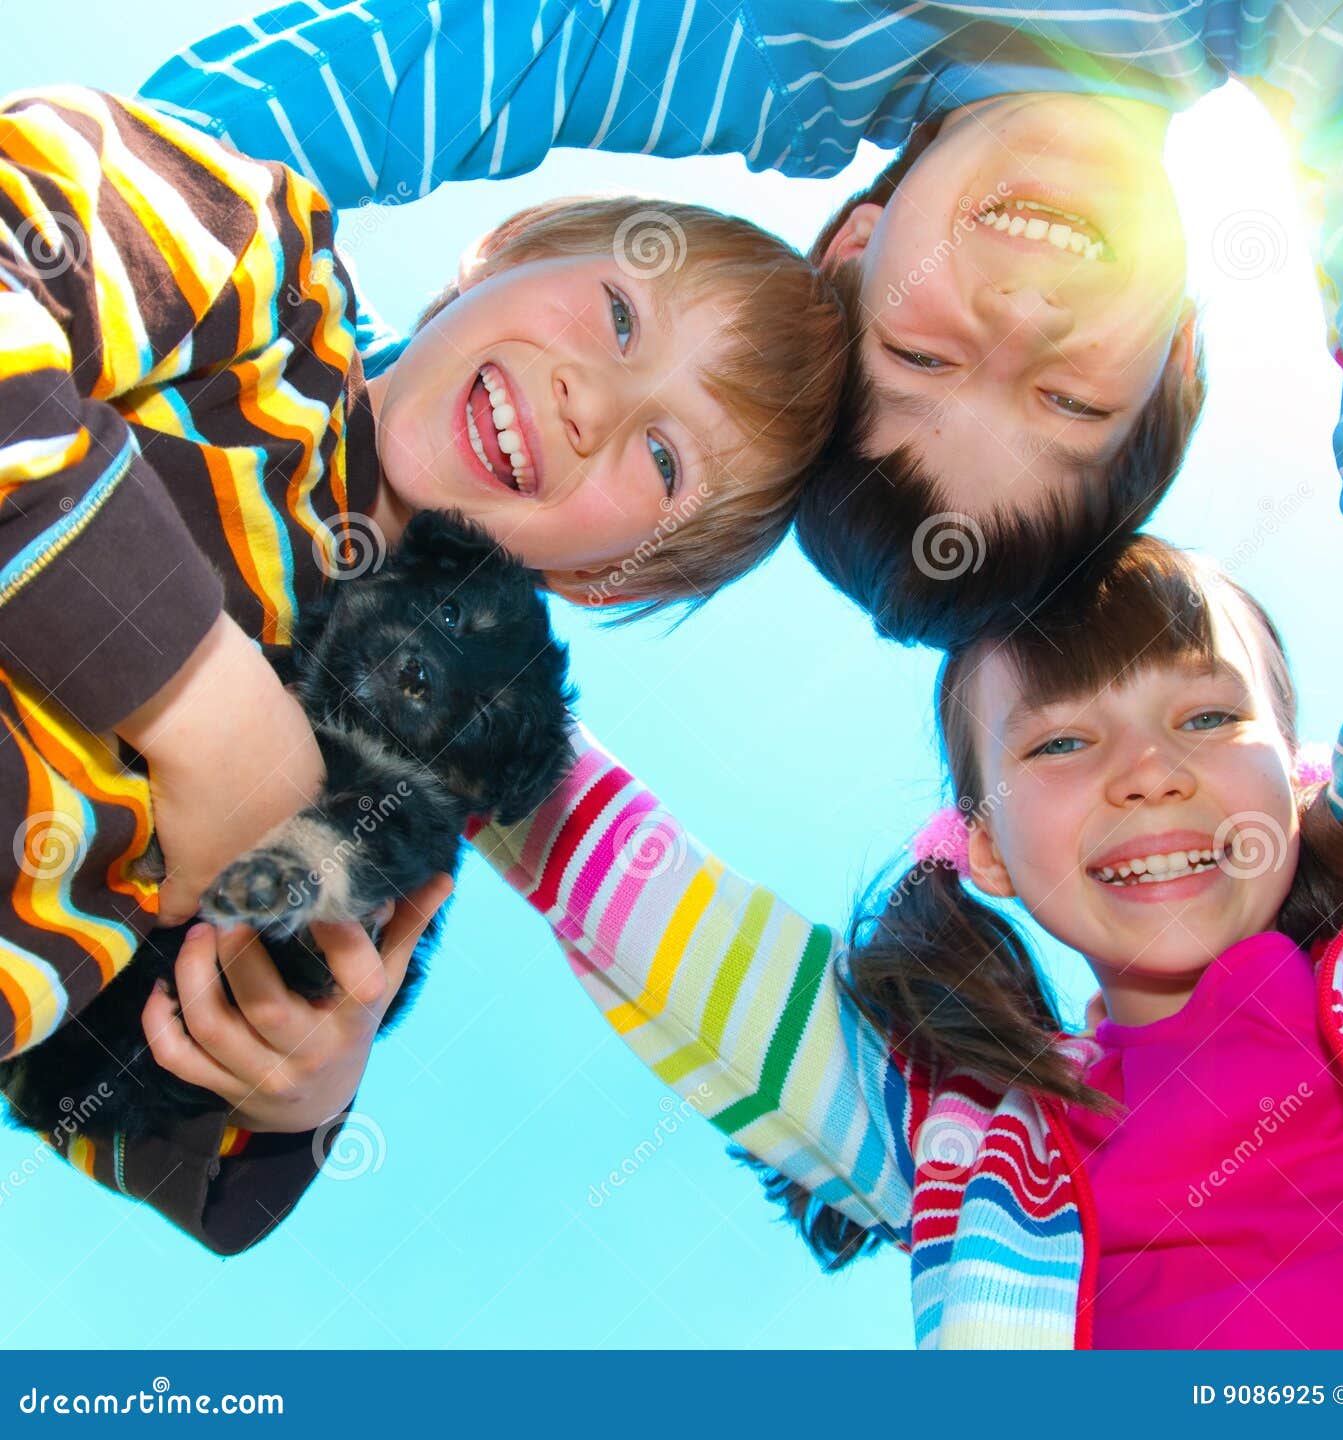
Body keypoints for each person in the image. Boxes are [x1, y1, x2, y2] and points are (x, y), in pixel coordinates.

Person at [141, 0, 1343, 824]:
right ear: (1176, 343)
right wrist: (1317, 837)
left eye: (923, 355)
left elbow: (361, 84)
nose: (1019, 322)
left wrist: (325, 457)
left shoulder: (811, 41)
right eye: (1075, 397)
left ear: (851, 250)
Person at [0, 85, 846, 1246]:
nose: (591, 402)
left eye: (661, 456)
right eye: (616, 312)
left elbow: (122, 1126)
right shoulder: (257, 266)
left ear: (613, 576)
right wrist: (196, 697)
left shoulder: (409, 782)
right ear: (504, 249)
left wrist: (295, 1093)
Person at [466, 533, 1343, 1347]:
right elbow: (654, 912)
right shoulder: (971, 1137)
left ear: (1296, 778)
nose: (1147, 771)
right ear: (988, 852)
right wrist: (448, 667)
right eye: (1059, 744)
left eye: (1206, 717)